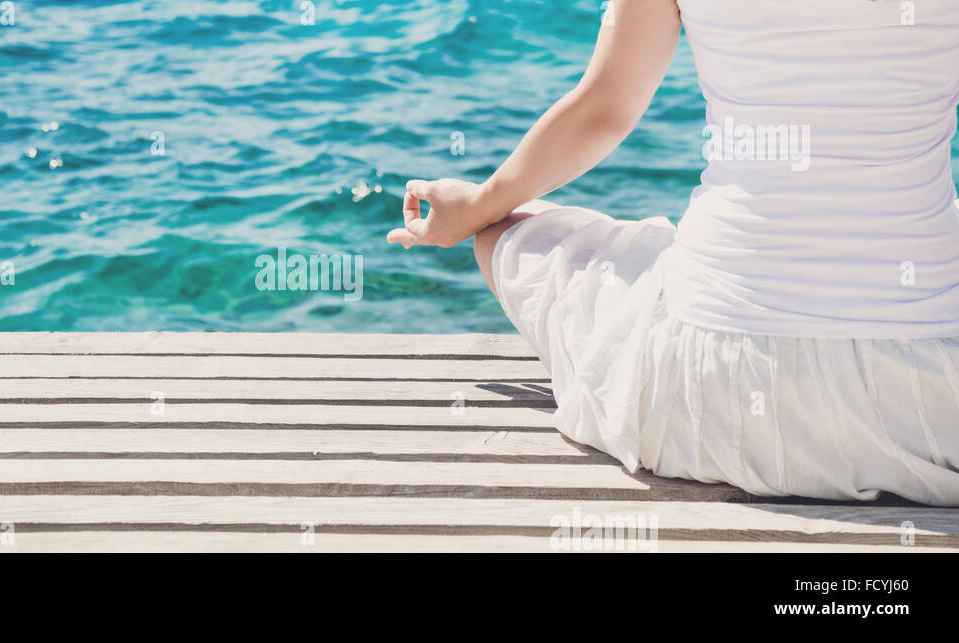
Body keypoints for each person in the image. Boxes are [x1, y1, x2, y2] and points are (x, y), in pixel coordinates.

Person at [388, 0, 959, 505]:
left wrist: (481, 204)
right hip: (932, 404)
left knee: (508, 231)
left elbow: (607, 105)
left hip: (706, 391)